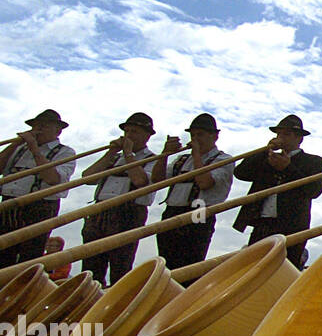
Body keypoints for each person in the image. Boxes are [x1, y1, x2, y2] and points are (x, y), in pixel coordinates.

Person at [232, 115, 322, 269]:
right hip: (262, 222)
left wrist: (288, 168)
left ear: (299, 139)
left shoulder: (314, 162)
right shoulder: (267, 158)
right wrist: (264, 151)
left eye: (287, 134)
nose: (281, 138)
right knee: (254, 268)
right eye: (279, 134)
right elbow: (240, 173)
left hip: (292, 226)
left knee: (285, 269)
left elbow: (314, 190)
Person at [80, 112, 157, 287]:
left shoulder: (153, 159)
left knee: (120, 266)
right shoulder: (114, 158)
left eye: (134, 132)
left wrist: (129, 153)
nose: (128, 135)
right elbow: (88, 178)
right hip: (99, 213)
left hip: (128, 214)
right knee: (91, 268)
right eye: (127, 131)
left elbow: (140, 181)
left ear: (147, 136)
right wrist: (111, 152)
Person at [151, 113, 235, 269]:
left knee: (190, 262)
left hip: (200, 212)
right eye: (193, 135)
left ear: (214, 136)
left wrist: (196, 153)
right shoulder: (182, 159)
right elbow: (157, 180)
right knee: (165, 262)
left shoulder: (223, 159)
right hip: (172, 211)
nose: (195, 139)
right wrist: (164, 154)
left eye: (200, 135)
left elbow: (204, 183)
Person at [0, 109, 76, 268]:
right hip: (8, 206)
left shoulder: (66, 152)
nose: (37, 130)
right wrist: (15, 144)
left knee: (28, 258)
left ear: (58, 130)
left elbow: (52, 179)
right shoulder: (19, 149)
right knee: (3, 256)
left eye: (43, 126)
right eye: (35, 127)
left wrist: (35, 148)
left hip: (38, 208)